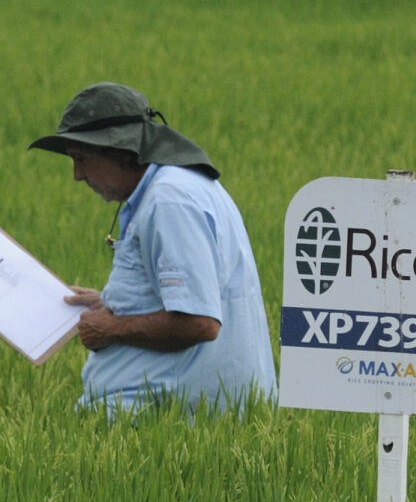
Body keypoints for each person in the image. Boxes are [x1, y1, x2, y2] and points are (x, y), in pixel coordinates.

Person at [30, 82, 276, 413]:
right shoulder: (174, 189)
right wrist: (112, 304)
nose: (77, 174)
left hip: (171, 425)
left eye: (81, 158)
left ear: (121, 151)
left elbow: (200, 322)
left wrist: (112, 328)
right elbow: (189, 296)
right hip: (171, 419)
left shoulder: (170, 201)